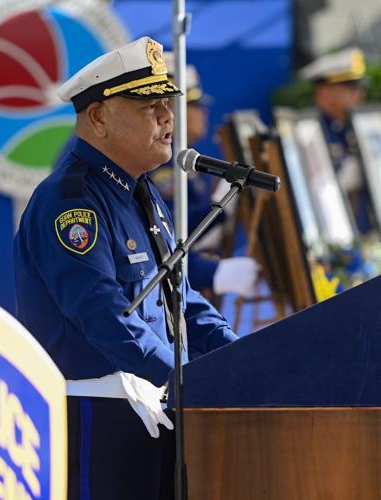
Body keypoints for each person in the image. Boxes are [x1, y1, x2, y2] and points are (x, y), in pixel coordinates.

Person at [13, 37, 238, 499]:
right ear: (97, 118)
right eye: (148, 105)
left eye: (166, 103)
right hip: (99, 419)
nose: (167, 117)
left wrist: (237, 357)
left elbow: (181, 296)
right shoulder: (71, 203)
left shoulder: (137, 189)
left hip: (154, 406)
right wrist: (185, 380)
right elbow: (103, 314)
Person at [150, 56, 259, 298]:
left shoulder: (183, 155)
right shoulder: (160, 162)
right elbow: (165, 232)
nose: (203, 113)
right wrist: (218, 209)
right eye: (194, 106)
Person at [299, 48, 373, 234]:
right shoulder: (307, 133)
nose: (359, 95)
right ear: (324, 91)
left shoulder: (347, 127)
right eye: (351, 88)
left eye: (360, 88)